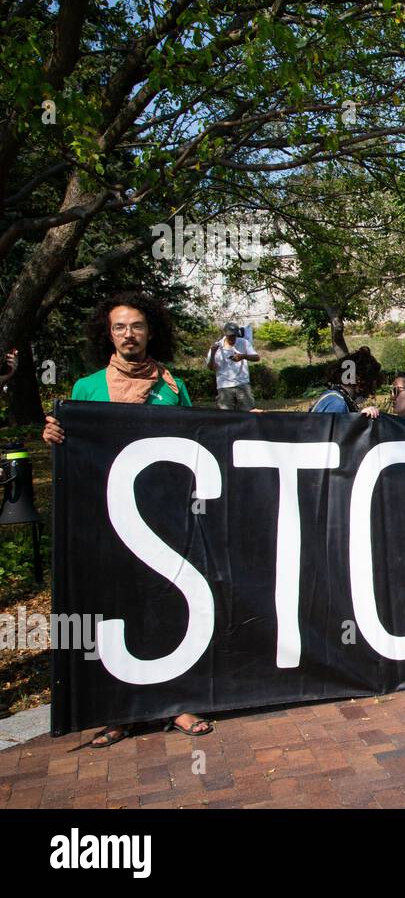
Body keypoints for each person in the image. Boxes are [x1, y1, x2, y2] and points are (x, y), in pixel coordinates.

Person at [41, 291, 210, 747]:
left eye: (136, 325)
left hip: (167, 516)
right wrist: (55, 434)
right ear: (108, 334)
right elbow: (74, 446)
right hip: (108, 519)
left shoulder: (173, 387)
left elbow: (200, 435)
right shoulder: (86, 389)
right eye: (119, 327)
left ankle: (177, 704)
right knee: (116, 607)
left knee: (168, 605)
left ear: (150, 330)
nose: (128, 334)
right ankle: (120, 711)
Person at [309, 347, 382, 413]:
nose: (369, 393)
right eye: (370, 385)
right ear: (360, 380)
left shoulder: (335, 398)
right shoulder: (337, 403)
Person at [206, 321, 260, 411]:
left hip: (242, 383)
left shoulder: (244, 343)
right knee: (226, 415)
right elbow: (211, 368)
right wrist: (213, 354)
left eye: (234, 335)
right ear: (225, 334)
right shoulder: (216, 347)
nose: (232, 338)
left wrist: (243, 356)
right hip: (224, 385)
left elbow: (257, 358)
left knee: (248, 412)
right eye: (230, 336)